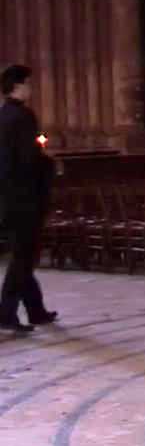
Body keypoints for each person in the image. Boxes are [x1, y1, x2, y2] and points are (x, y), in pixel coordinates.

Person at [0, 64, 56, 334]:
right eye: (29, 84)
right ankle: (6, 313)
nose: (31, 89)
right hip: (24, 197)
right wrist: (49, 163)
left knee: (25, 255)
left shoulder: (2, 116)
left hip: (6, 197)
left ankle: (36, 310)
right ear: (18, 87)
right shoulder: (23, 117)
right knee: (24, 256)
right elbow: (28, 160)